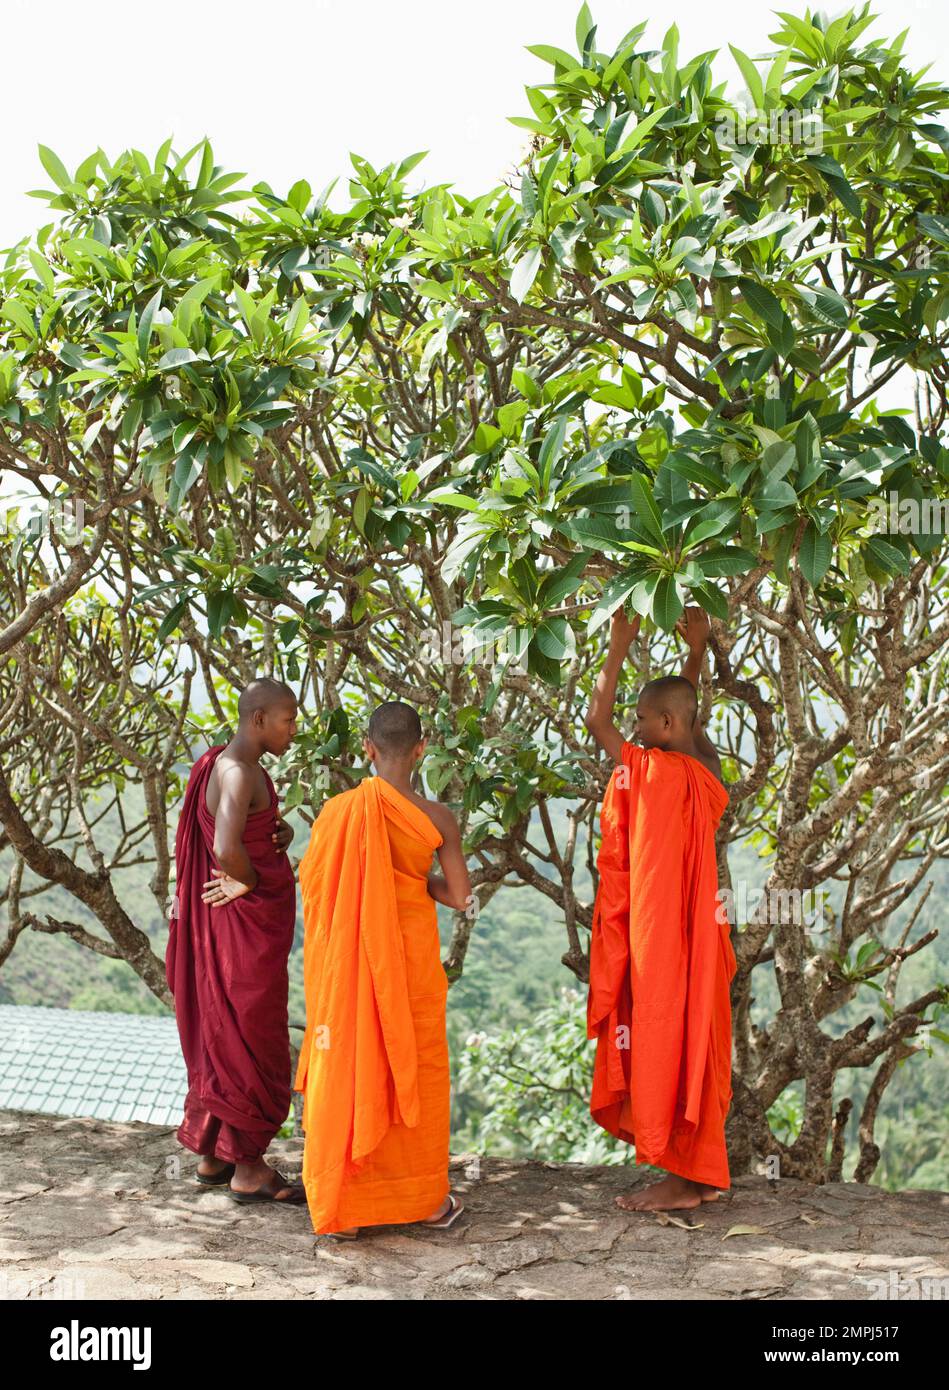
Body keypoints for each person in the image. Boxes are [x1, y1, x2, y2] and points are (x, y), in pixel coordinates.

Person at [294, 701, 471, 1238]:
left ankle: (346, 1205)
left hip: (350, 970)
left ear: (367, 749)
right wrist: (412, 883)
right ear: (422, 750)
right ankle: (426, 1202)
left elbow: (314, 886)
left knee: (350, 1058)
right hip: (411, 965)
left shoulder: (337, 812)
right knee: (414, 1068)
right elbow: (462, 897)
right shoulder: (439, 818)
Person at [584, 605, 736, 1212]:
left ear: (664, 723)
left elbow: (597, 718)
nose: (633, 726)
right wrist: (695, 649)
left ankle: (680, 1178)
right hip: (697, 932)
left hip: (660, 937)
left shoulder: (649, 767)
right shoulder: (705, 767)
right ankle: (692, 1172)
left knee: (663, 1034)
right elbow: (689, 714)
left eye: (642, 720)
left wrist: (618, 646)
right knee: (695, 1038)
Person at [166, 677, 305, 1205]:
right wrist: (248, 880)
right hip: (243, 933)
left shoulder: (216, 762)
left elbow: (247, 826)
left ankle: (212, 1154)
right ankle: (248, 1169)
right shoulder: (238, 771)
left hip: (229, 932)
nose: (294, 729)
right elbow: (226, 847)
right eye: (288, 719)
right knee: (251, 1034)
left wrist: (281, 831)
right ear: (258, 720)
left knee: (223, 1033)